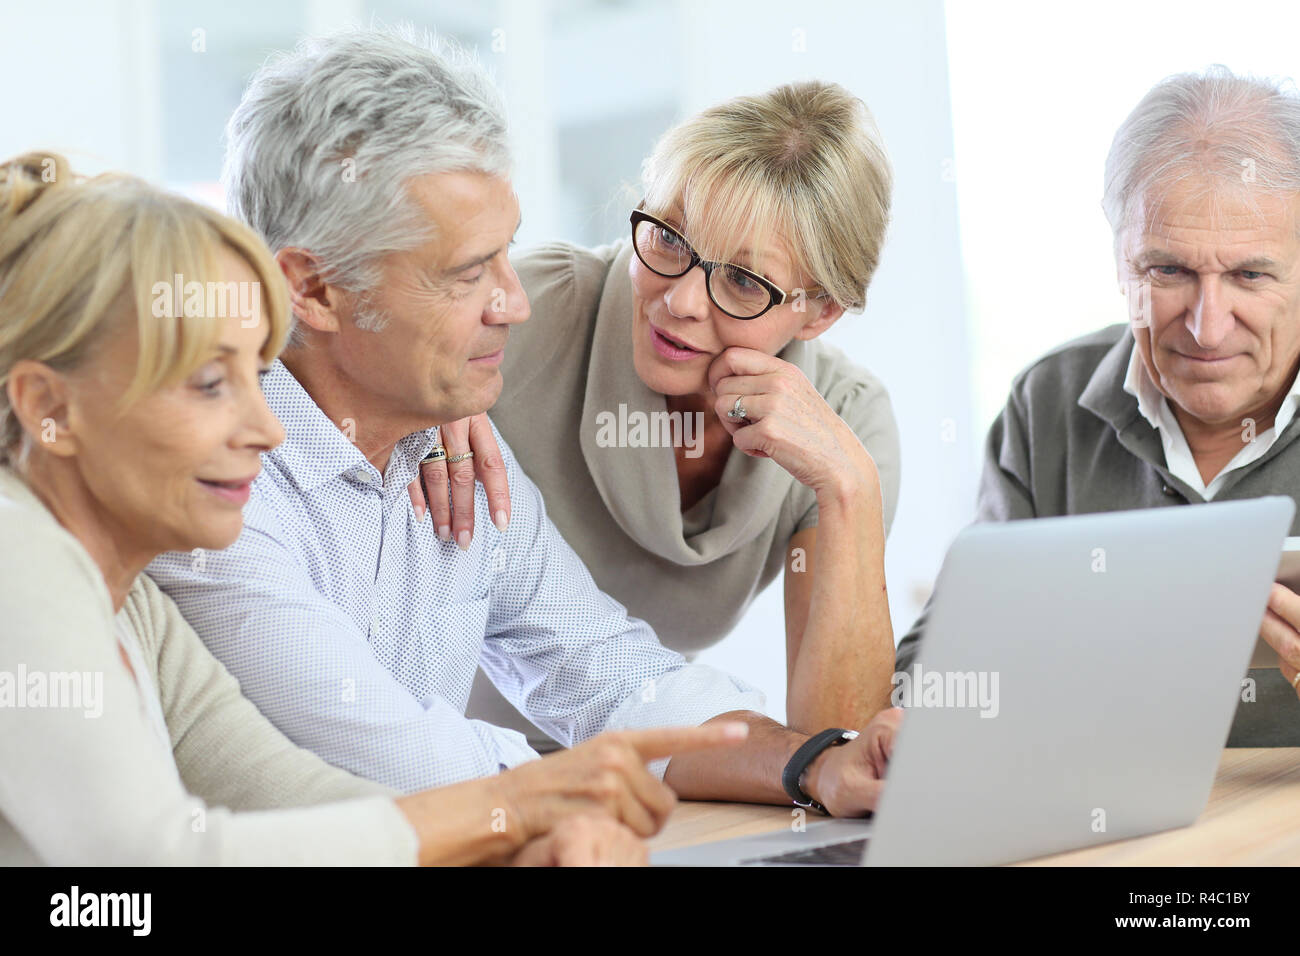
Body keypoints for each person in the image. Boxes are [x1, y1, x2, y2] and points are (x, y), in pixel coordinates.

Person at [147, 27, 904, 817]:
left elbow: (613, 676)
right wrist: (605, 784)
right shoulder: (215, 485)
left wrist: (813, 764)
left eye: (507, 256)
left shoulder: (448, 443)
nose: (514, 304)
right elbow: (398, 754)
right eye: (471, 272)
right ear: (313, 291)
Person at [0, 151, 747, 865]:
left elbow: (289, 794)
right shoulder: (18, 561)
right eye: (207, 384)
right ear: (46, 405)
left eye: (253, 372)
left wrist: (517, 834)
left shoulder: (129, 607)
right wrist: (522, 807)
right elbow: (154, 863)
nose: (267, 427)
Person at [459, 80, 901, 747]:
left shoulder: (845, 426)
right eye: (668, 237)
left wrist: (849, 490)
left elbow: (835, 751)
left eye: (743, 282)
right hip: (423, 766)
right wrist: (422, 393)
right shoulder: (530, 311)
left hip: (628, 775)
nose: (684, 301)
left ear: (820, 311)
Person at [895, 66, 1300, 746]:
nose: (1206, 324)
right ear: (1118, 262)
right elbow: (926, 679)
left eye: (1249, 275)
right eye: (1166, 270)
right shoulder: (1047, 401)